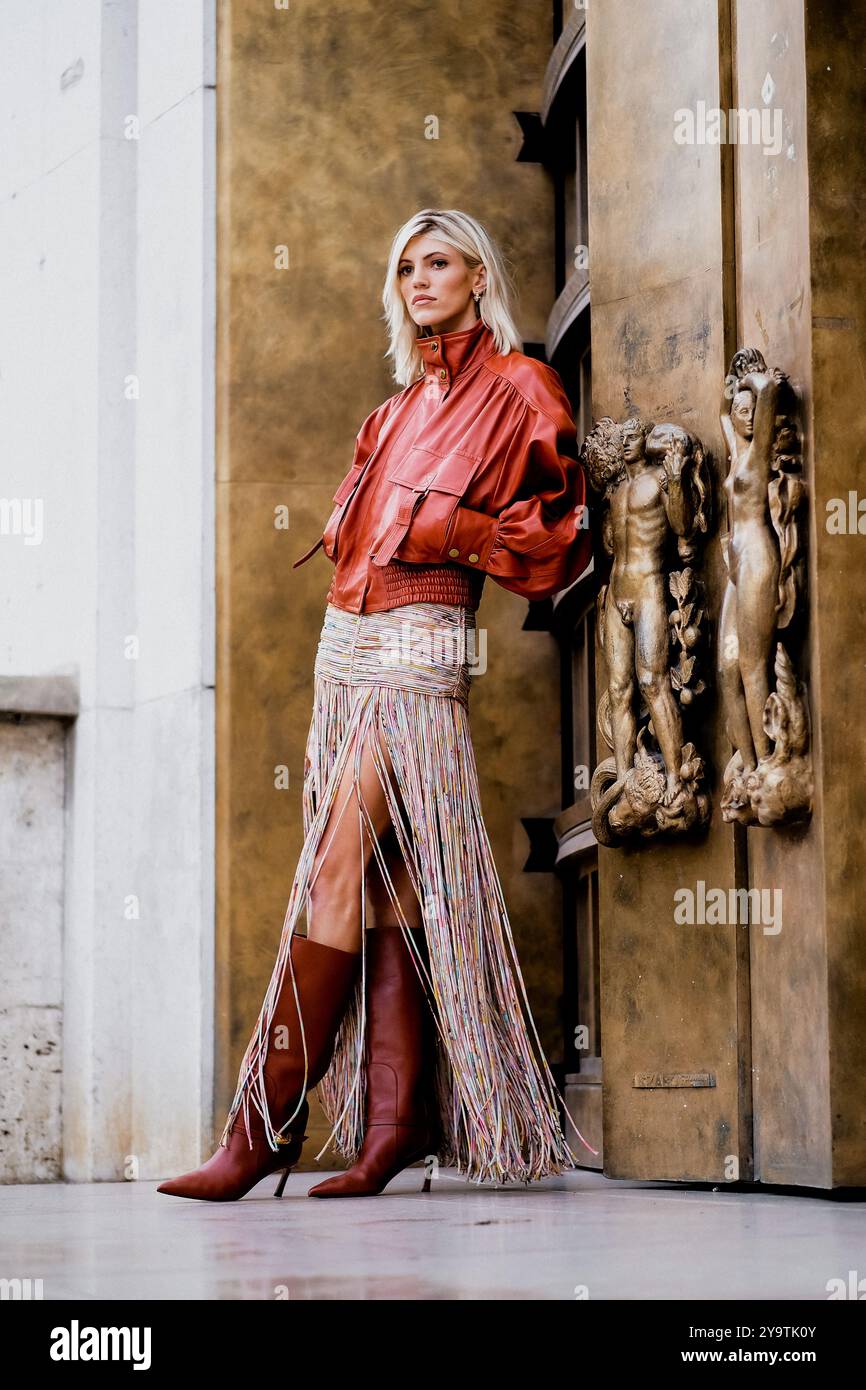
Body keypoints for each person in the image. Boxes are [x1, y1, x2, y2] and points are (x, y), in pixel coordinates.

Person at [157, 207, 595, 1203]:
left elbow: (560, 531)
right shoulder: (392, 412)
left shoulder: (520, 388)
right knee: (383, 885)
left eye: (437, 262)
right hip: (342, 655)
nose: (419, 280)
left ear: (479, 277)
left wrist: (458, 533)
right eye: (404, 267)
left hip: (415, 651)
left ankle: (260, 1126)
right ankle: (398, 1124)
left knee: (334, 868)